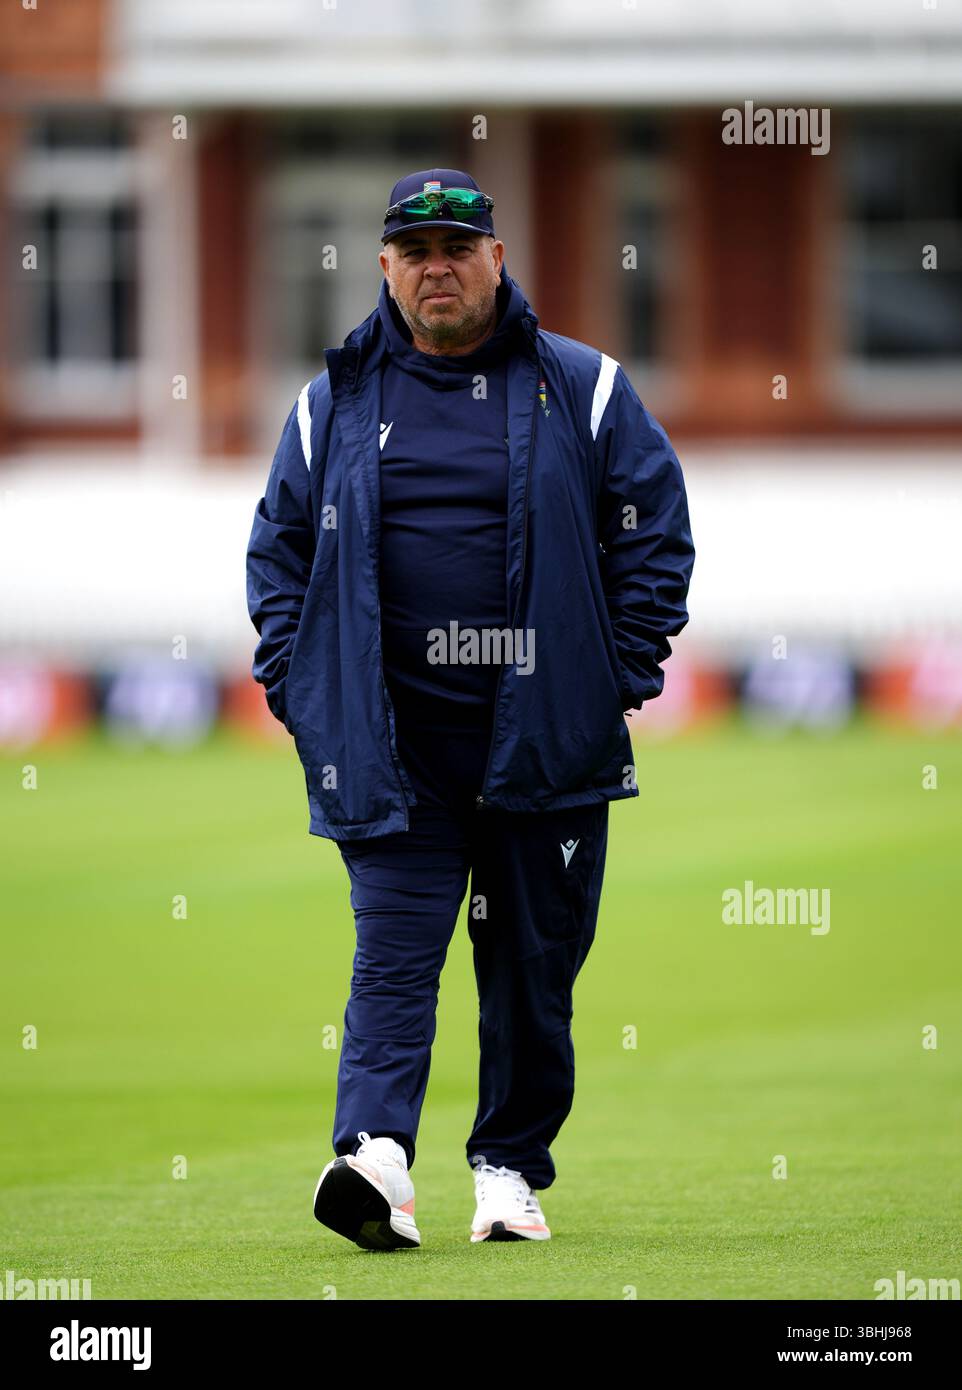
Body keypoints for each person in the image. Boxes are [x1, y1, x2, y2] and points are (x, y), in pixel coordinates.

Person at [245, 168, 695, 1252]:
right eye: (412, 250)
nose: (434, 265)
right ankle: (375, 1160)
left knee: (531, 976)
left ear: (497, 257)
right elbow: (280, 552)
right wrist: (302, 691)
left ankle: (505, 1171)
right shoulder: (333, 402)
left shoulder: (582, 387)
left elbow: (652, 536)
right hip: (395, 751)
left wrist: (609, 677)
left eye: (456, 245)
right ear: (384, 268)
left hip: (543, 745)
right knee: (390, 963)